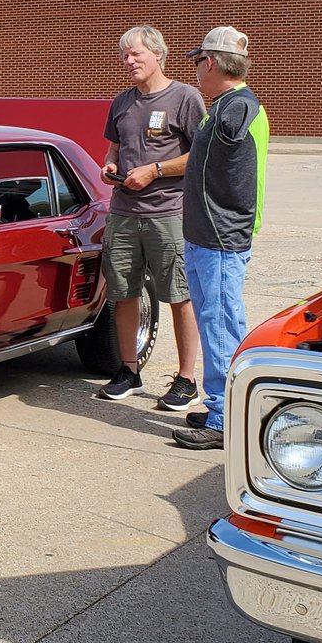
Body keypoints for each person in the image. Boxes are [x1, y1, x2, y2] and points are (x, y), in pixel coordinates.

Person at [95, 25, 204, 409]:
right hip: (123, 213)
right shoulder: (122, 101)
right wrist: (110, 166)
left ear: (158, 54)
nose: (128, 61)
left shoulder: (185, 98)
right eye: (124, 55)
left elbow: (199, 156)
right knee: (123, 292)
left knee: (179, 295)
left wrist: (155, 171)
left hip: (168, 214)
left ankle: (187, 380)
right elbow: (114, 148)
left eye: (136, 54)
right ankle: (129, 372)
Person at [172, 26, 269, 450]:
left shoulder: (239, 107)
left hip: (221, 239)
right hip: (206, 235)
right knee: (215, 324)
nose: (195, 70)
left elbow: (239, 175)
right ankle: (220, 407)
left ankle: (228, 420)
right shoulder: (227, 106)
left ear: (210, 62)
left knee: (222, 326)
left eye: (198, 62)